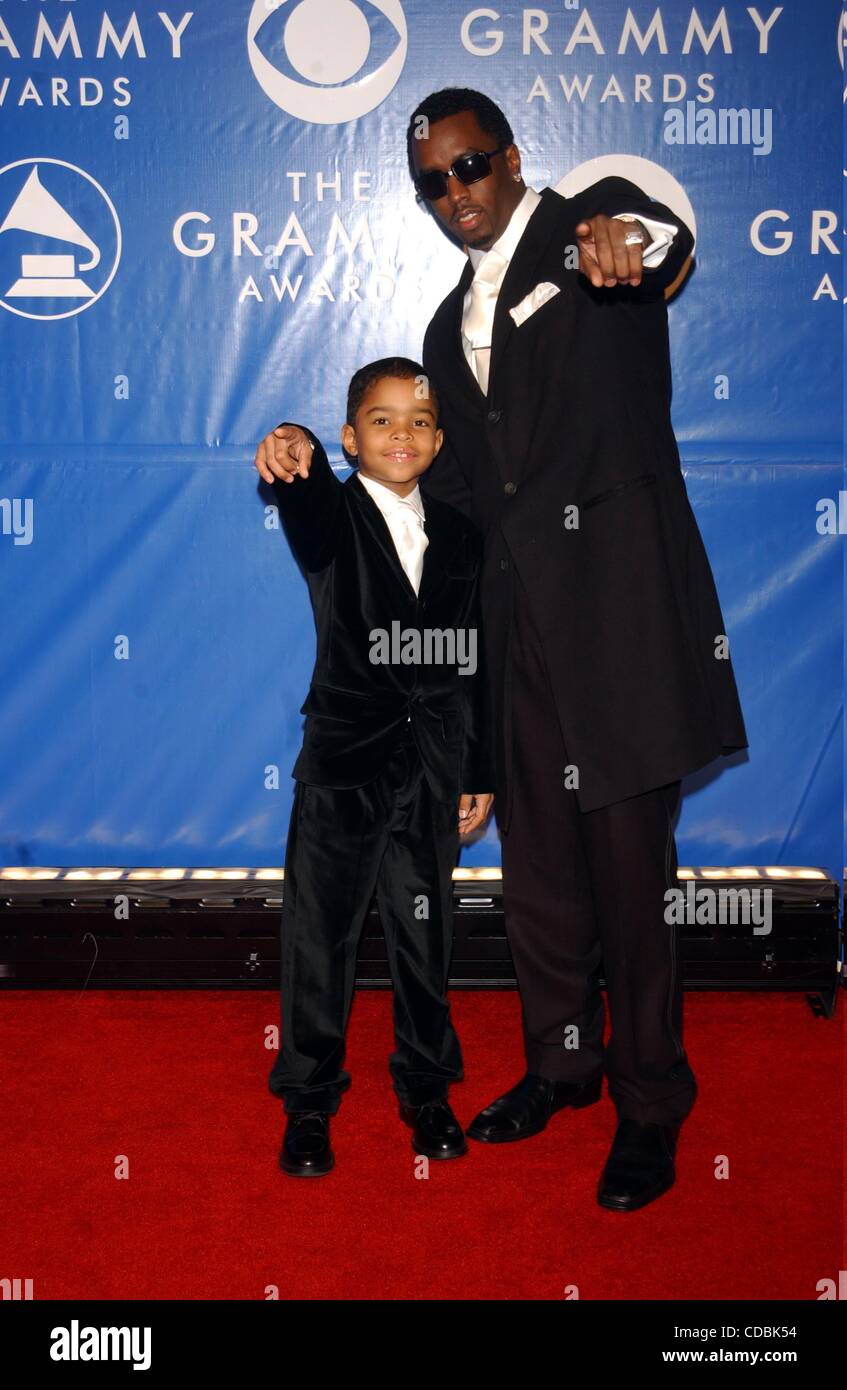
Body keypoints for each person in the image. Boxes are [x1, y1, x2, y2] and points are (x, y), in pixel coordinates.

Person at [255, 89, 748, 1211]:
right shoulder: (437, 333)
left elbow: (650, 241)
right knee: (541, 887)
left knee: (632, 885)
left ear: (512, 159)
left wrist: (630, 242)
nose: (454, 193)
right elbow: (454, 523)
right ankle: (564, 1068)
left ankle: (650, 1104)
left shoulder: (587, 232)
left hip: (618, 627)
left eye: (469, 166)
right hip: (510, 648)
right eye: (432, 181)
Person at [260, 359, 494, 1177]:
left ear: (438, 438)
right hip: (343, 765)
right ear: (352, 437)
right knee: (319, 940)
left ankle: (427, 1089)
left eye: (419, 421)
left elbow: (475, 662)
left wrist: (478, 766)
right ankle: (309, 1102)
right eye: (382, 420)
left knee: (423, 939)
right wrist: (293, 444)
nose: (402, 433)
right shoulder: (332, 518)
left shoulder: (464, 535)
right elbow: (303, 488)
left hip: (431, 769)